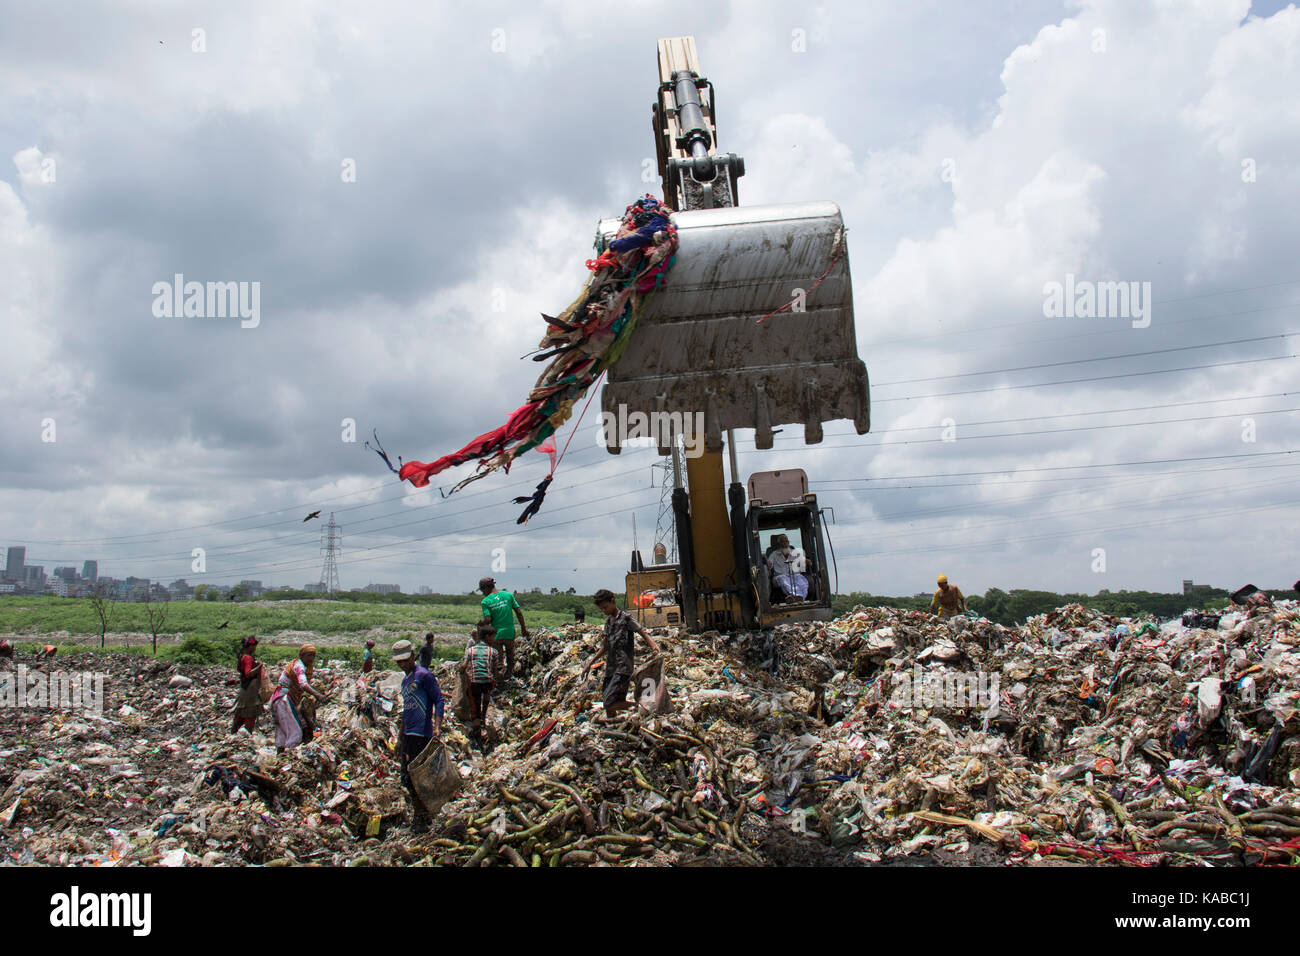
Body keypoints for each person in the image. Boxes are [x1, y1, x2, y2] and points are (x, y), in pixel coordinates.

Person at [583, 588, 661, 718]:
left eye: (605, 607)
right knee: (609, 702)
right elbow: (605, 647)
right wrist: (589, 663)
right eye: (601, 609)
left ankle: (639, 706)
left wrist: (653, 645)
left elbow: (641, 632)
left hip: (623, 667)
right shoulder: (608, 622)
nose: (604, 610)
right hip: (611, 668)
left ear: (613, 601)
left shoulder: (626, 618)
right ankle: (612, 727)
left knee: (608, 702)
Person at [391, 638, 444, 830]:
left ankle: (421, 817)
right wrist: (399, 739)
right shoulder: (406, 681)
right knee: (405, 778)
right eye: (400, 662)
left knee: (417, 778)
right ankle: (421, 814)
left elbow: (438, 700)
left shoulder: (424, 676)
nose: (403, 664)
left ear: (413, 656)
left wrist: (437, 726)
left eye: (406, 660)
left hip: (422, 734)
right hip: (409, 735)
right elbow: (406, 711)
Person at [269, 644, 329, 751]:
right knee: (295, 733)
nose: (311, 658)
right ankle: (288, 760)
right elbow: (303, 684)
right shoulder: (299, 666)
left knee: (282, 732)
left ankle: (280, 758)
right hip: (283, 699)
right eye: (309, 655)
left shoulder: (303, 666)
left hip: (279, 698)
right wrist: (318, 696)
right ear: (302, 655)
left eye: (313, 656)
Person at [479, 577, 529, 684]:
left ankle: (500, 683)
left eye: (482, 590)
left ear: (486, 588)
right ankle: (508, 677)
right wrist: (523, 629)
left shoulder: (486, 601)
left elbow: (488, 619)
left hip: (496, 635)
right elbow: (519, 612)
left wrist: (481, 625)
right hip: (509, 632)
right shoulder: (508, 595)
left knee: (498, 660)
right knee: (510, 656)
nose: (483, 593)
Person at [459, 622, 498, 749]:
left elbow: (464, 665)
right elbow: (494, 671)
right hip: (487, 681)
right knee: (487, 694)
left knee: (474, 704)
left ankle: (477, 733)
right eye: (492, 637)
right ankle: (483, 717)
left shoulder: (470, 650)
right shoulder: (493, 652)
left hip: (474, 682)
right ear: (487, 637)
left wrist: (462, 671)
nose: (494, 639)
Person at [231, 636, 265, 733]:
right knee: (250, 713)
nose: (255, 649)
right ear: (250, 646)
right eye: (254, 646)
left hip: (245, 687)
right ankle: (247, 733)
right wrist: (259, 666)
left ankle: (234, 732)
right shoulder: (248, 658)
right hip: (249, 689)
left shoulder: (242, 656)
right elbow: (248, 673)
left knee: (242, 712)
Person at [767, 534, 809, 602]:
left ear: (788, 542)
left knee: (802, 582)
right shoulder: (774, 554)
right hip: (780, 575)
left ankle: (799, 598)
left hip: (795, 574)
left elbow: (802, 563)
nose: (785, 543)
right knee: (784, 581)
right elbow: (769, 564)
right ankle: (795, 596)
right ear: (779, 544)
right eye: (782, 541)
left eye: (786, 541)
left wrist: (805, 561)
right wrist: (769, 564)